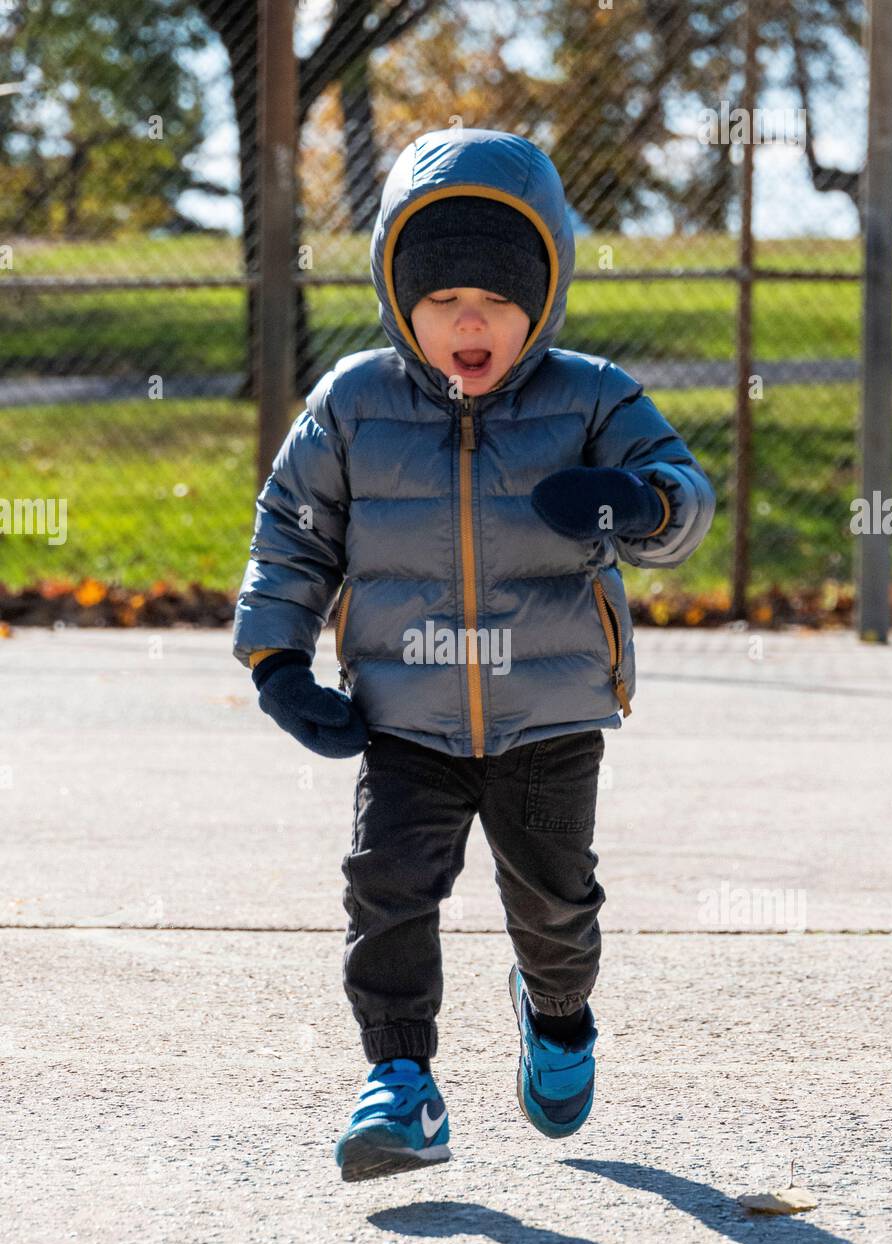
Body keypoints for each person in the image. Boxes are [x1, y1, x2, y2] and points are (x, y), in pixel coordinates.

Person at [232, 128, 716, 1183]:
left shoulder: (590, 397)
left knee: (553, 906)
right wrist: (276, 660)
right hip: (403, 716)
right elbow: (292, 530)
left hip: (548, 715)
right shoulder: (354, 405)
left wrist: (644, 502)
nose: (468, 320)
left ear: (541, 301)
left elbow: (683, 492)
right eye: (440, 296)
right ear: (396, 295)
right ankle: (400, 1084)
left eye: (496, 299)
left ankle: (558, 1014)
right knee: (386, 887)